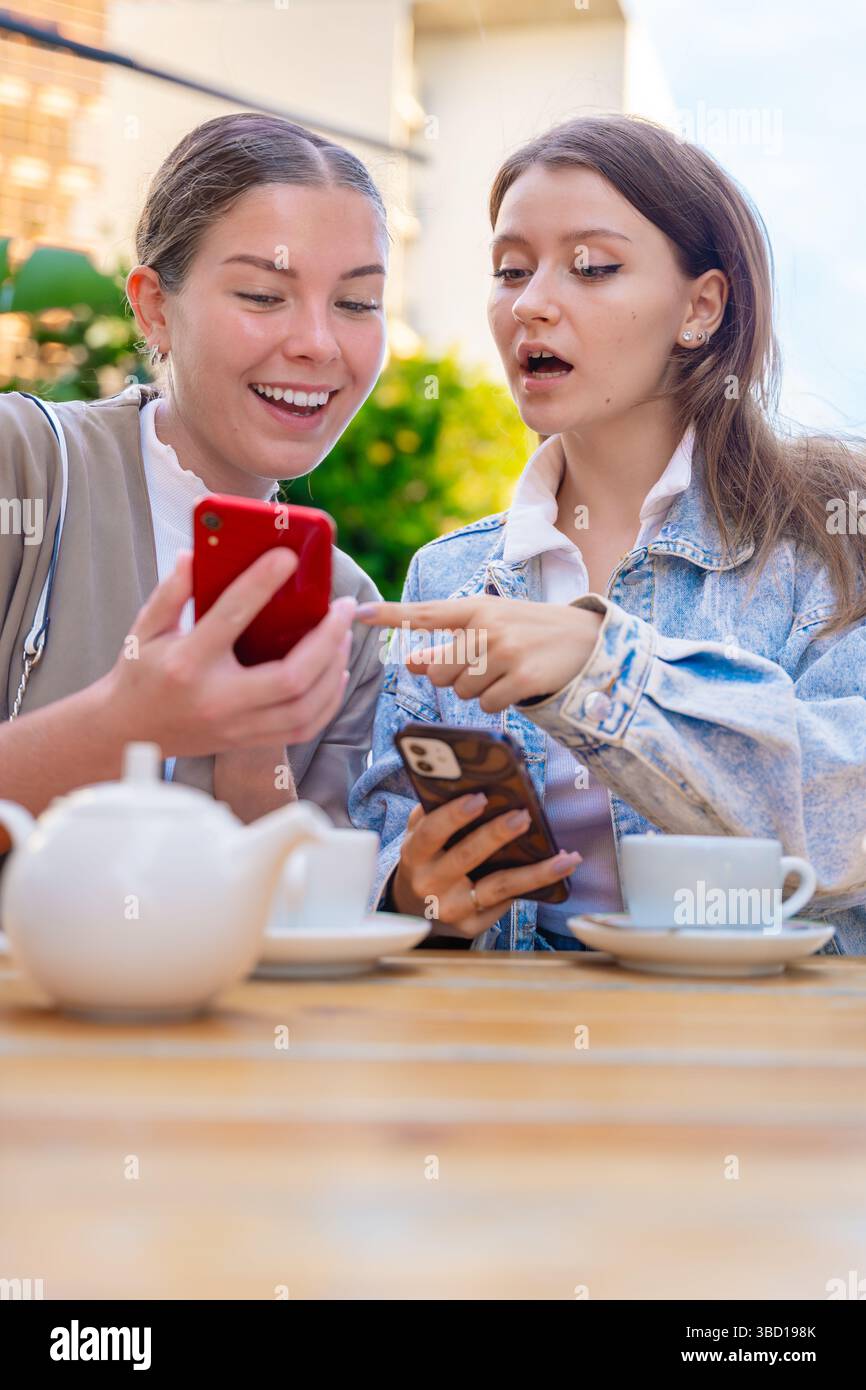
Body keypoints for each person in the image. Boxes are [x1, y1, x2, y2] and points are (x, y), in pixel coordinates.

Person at [349, 113, 866, 954]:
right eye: (510, 269)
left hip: (762, 1065)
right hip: (504, 1065)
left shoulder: (829, 548)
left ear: (700, 307)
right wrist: (412, 896)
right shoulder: (449, 575)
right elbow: (383, 845)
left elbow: (848, 814)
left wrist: (600, 672)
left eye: (592, 268)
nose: (531, 303)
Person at [0, 111, 391, 865]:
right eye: (262, 295)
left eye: (355, 303)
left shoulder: (350, 613)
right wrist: (121, 724)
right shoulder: (26, 464)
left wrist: (253, 767)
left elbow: (305, 924)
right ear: (154, 307)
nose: (317, 342)